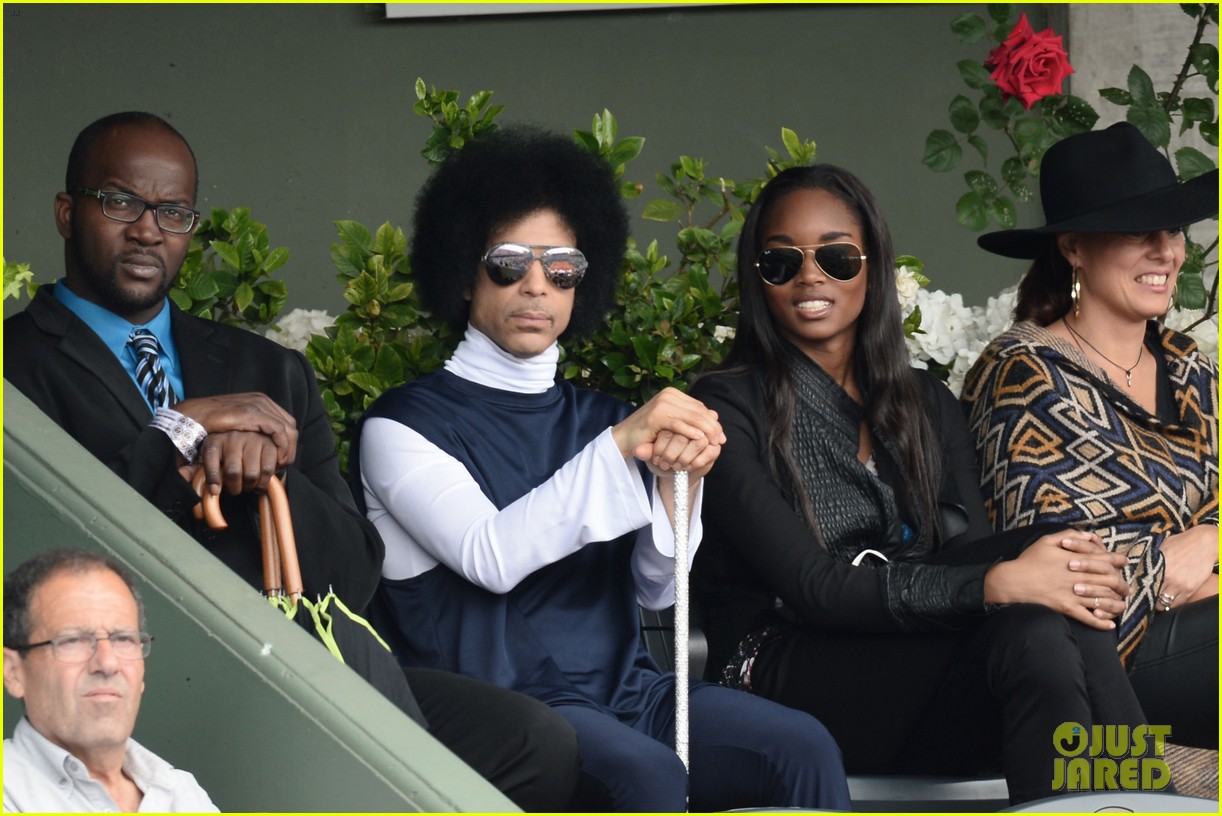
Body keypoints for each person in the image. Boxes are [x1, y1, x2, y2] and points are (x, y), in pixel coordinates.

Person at [3, 111, 579, 811]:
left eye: (173, 211)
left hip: (295, 657)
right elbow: (44, 549)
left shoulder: (266, 370)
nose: (148, 229)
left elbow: (354, 573)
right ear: (68, 212)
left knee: (531, 742)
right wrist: (177, 430)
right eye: (120, 202)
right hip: (143, 674)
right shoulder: (15, 367)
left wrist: (267, 469)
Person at [355, 125, 851, 812]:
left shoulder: (602, 417)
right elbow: (491, 555)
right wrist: (622, 448)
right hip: (509, 714)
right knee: (646, 774)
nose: (536, 286)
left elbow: (656, 589)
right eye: (508, 263)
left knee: (800, 747)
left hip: (630, 694)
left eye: (562, 268)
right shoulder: (400, 425)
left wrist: (687, 480)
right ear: (462, 273)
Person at [688, 163, 1150, 805]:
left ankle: (1124, 799)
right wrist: (994, 583)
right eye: (780, 262)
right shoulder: (725, 406)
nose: (810, 276)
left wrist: (1031, 571)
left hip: (912, 660)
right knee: (1031, 588)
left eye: (837, 257)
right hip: (785, 668)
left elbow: (973, 553)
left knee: (1041, 613)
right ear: (757, 277)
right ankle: (1139, 793)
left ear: (873, 266)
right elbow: (813, 588)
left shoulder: (924, 402)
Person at [962, 121, 1219, 750]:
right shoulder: (1021, 374)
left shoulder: (1192, 367)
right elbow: (1052, 561)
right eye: (1139, 232)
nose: (1166, 252)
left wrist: (1208, 541)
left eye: (1173, 231)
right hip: (1107, 656)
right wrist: (1163, 565)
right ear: (1074, 246)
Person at [4, 549, 217, 813]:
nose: (107, 663)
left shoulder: (182, 793)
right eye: (73, 640)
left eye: (123, 639)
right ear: (13, 672)